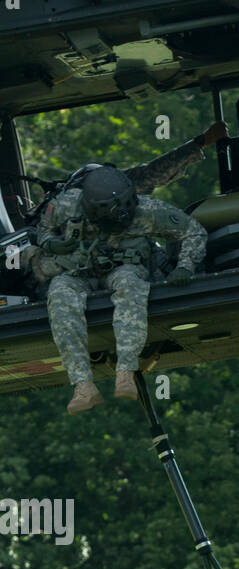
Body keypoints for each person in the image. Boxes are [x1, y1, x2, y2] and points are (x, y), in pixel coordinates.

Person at [36, 164, 208, 413]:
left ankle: (125, 373)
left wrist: (186, 265)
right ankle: (83, 387)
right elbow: (43, 229)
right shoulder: (66, 205)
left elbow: (193, 232)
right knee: (59, 294)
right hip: (79, 271)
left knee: (131, 285)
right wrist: (53, 244)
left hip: (125, 268)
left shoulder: (147, 210)